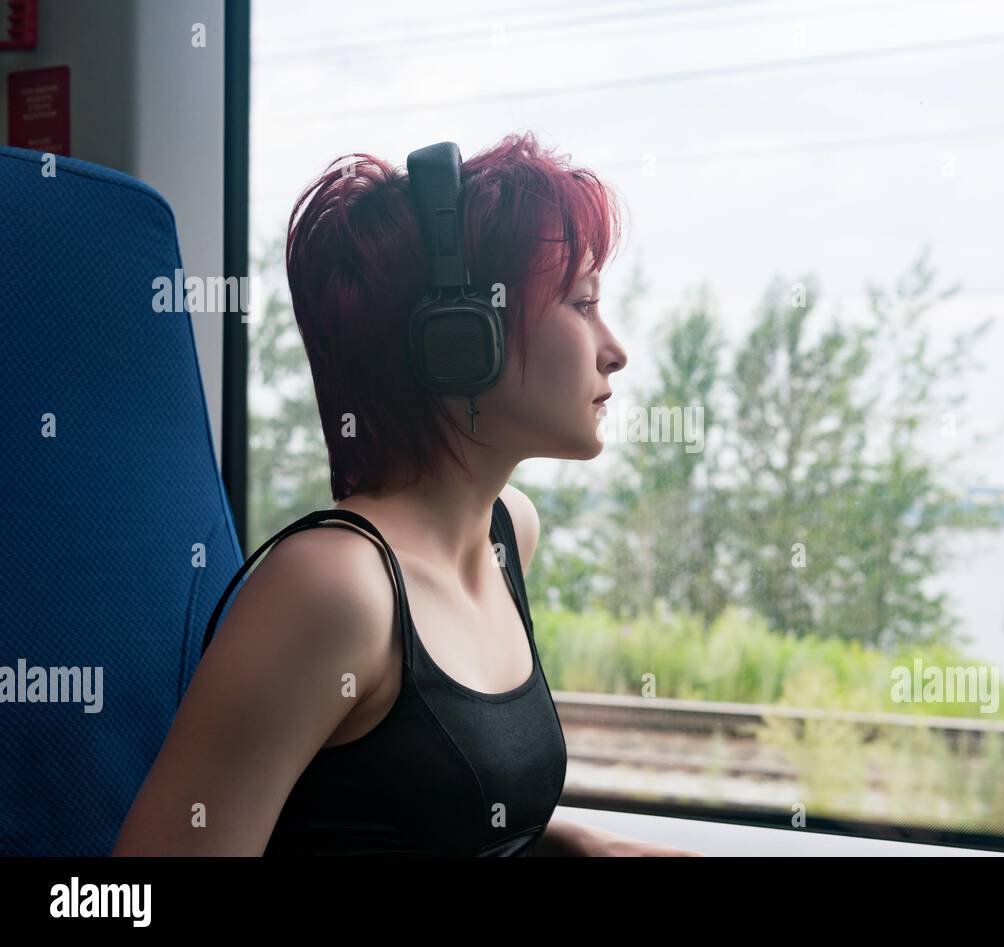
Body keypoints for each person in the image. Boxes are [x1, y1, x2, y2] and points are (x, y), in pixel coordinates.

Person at [112, 131, 702, 856]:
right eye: (581, 304)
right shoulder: (335, 587)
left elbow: (417, 807)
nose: (616, 348)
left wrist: (576, 845)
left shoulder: (507, 532)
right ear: (462, 338)